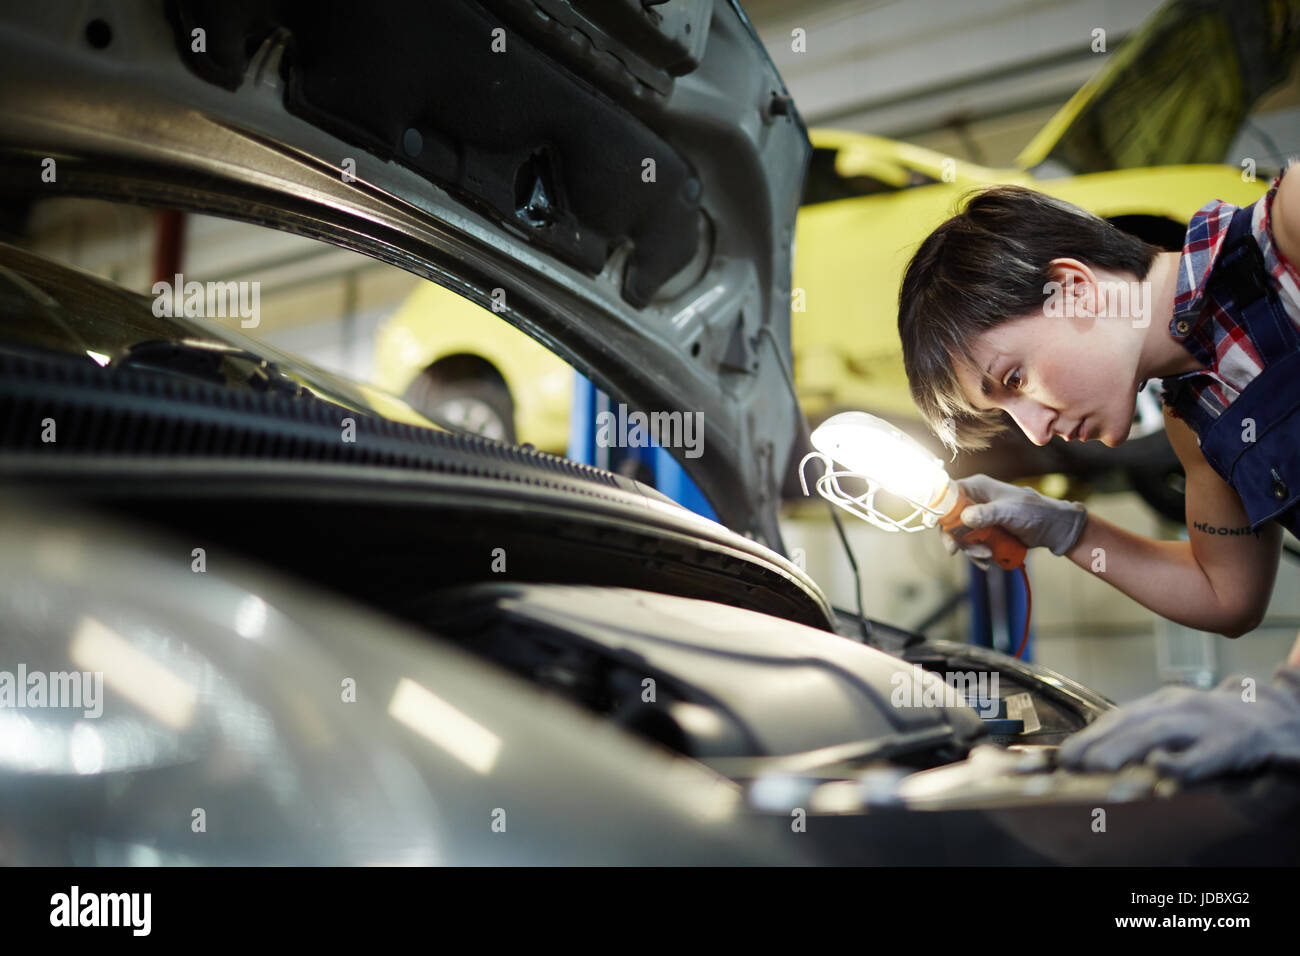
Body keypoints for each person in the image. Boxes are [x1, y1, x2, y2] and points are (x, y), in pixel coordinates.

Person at [896, 159, 1300, 782]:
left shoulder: (1290, 229)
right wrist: (1066, 531)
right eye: (1005, 408)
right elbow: (1228, 596)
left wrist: (1291, 700)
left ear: (1074, 288)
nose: (1033, 429)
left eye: (1015, 379)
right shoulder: (1197, 418)